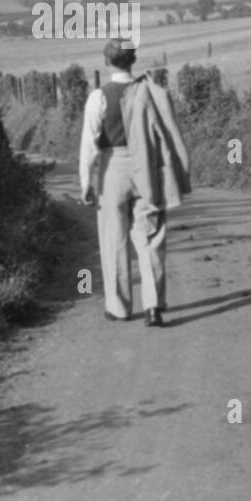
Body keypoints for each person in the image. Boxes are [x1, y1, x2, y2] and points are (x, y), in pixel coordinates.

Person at [79, 39, 191, 327]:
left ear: (107, 61)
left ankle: (119, 307)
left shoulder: (98, 97)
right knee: (151, 237)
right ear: (133, 61)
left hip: (111, 168)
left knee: (113, 239)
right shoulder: (150, 92)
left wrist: (86, 183)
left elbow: (89, 146)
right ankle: (153, 306)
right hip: (147, 168)